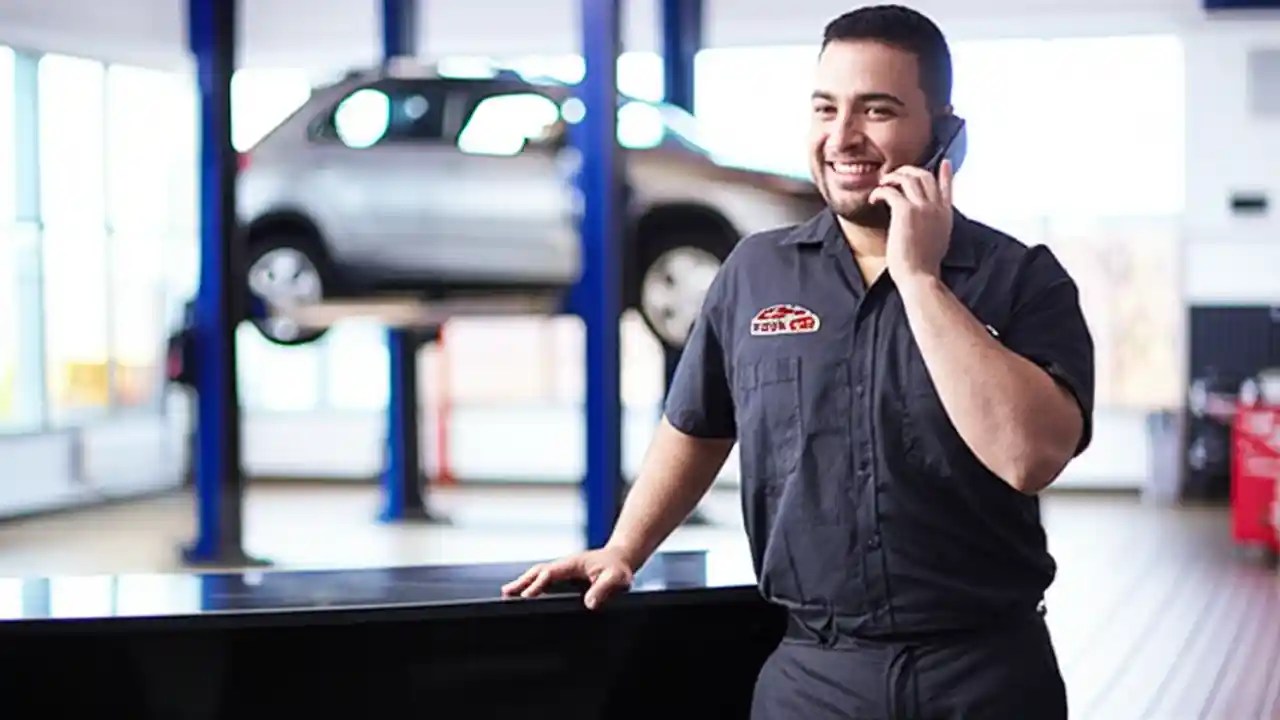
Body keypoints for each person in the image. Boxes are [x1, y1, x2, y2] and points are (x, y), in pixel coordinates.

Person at [502, 5, 1093, 718]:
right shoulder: (755, 274)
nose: (843, 138)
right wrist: (625, 546)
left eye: (877, 110)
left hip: (983, 677)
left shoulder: (1021, 280)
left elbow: (1028, 455)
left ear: (943, 131)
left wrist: (920, 278)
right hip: (816, 678)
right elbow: (697, 424)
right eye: (825, 108)